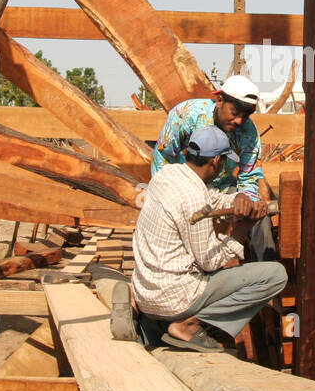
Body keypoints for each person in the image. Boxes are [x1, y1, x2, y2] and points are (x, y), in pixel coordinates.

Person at [115, 125, 287, 352]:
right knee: (275, 275)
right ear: (216, 161)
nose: (226, 167)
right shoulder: (194, 199)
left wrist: (237, 199)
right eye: (225, 161)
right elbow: (210, 261)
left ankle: (134, 301)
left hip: (146, 292)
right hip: (174, 299)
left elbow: (210, 199)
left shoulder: (166, 175)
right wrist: (242, 229)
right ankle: (190, 326)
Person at [151, 74, 275, 258]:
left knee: (259, 217)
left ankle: (263, 271)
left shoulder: (249, 132)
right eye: (235, 113)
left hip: (224, 189)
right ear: (219, 100)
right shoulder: (186, 115)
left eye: (246, 115)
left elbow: (248, 175)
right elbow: (163, 156)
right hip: (184, 188)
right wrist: (167, 194)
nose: (240, 121)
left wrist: (246, 199)